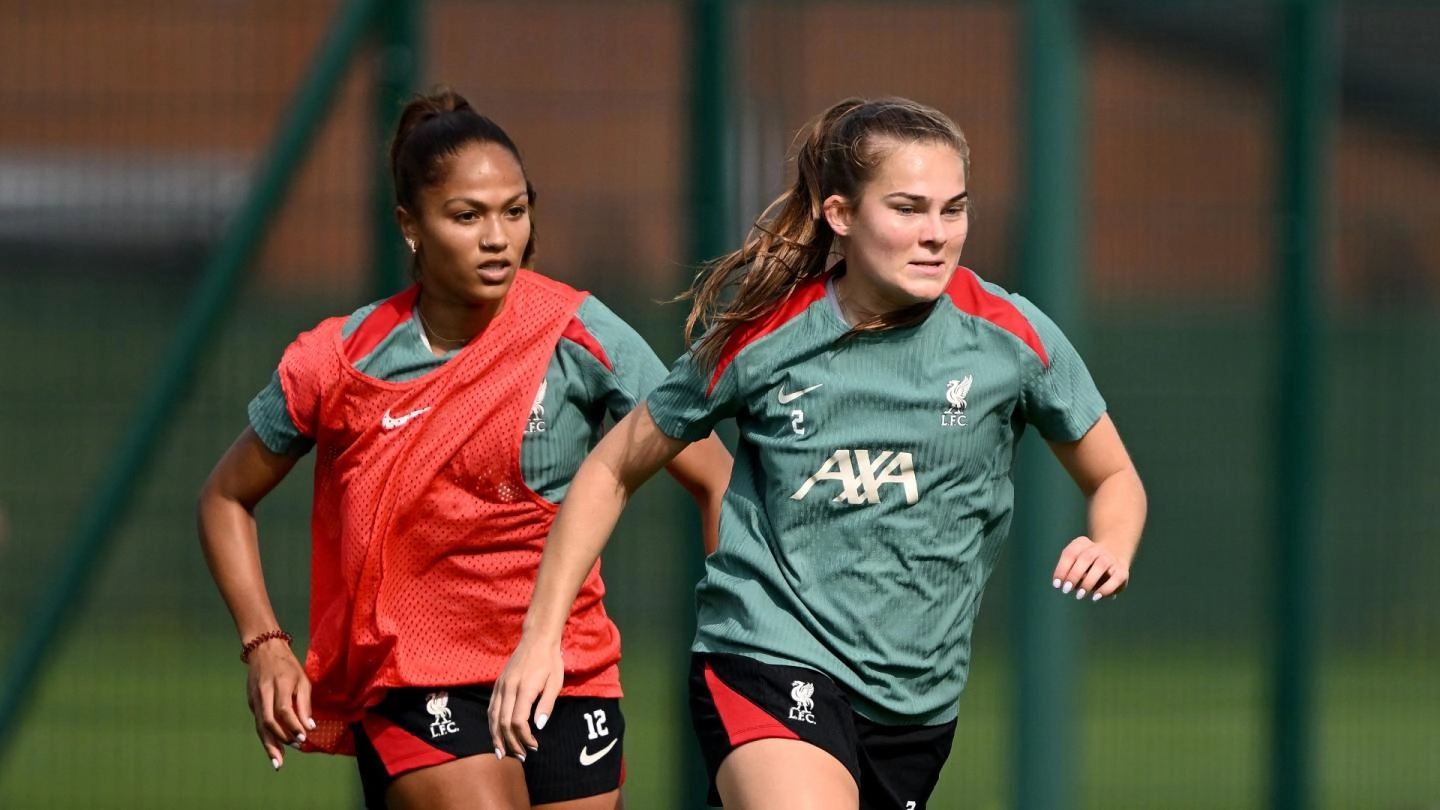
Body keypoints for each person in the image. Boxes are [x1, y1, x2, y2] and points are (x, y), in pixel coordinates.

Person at [488, 96, 1147, 810]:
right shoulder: (766, 338)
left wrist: (1112, 541)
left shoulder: (1011, 335)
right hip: (766, 655)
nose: (936, 235)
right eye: (907, 208)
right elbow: (613, 467)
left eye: (952, 210)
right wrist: (541, 637)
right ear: (841, 214)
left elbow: (1114, 476)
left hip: (914, 704)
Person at [197, 87, 732, 810]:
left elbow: (714, 476)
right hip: (415, 676)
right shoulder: (340, 360)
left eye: (514, 211)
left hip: (562, 670)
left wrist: (735, 652)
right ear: (409, 226)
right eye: (467, 216)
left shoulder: (578, 332)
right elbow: (226, 497)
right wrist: (264, 644)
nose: (497, 237)